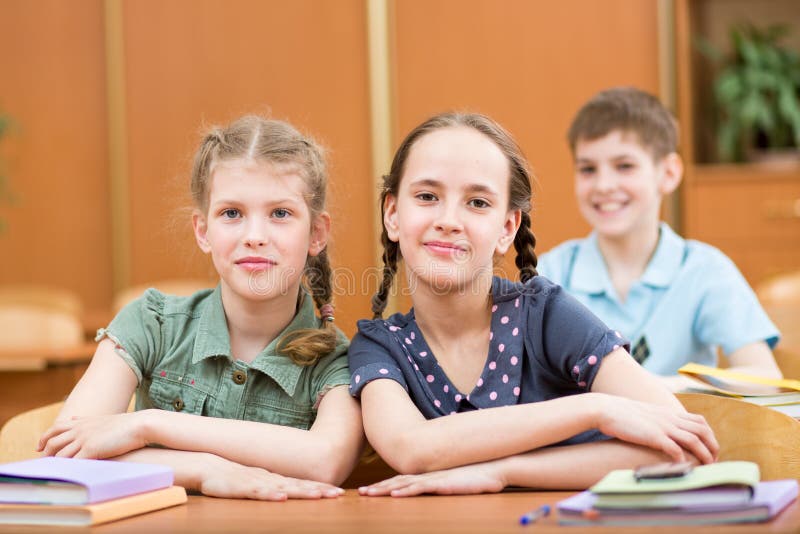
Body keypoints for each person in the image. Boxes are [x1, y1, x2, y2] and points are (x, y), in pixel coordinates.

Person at [348, 112, 718, 497]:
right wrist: (595, 410)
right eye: (427, 196)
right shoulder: (378, 346)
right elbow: (409, 446)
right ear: (393, 214)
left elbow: (682, 446)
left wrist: (504, 471)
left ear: (507, 228)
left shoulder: (546, 315)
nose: (449, 220)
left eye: (477, 202)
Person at [38, 115, 364, 501]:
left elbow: (325, 459)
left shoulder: (337, 359)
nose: (254, 236)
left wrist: (148, 425)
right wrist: (204, 469)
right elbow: (65, 456)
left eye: (280, 213)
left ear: (316, 233)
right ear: (203, 231)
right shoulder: (152, 323)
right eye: (231, 213)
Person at [537, 87, 781, 389]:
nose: (603, 185)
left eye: (624, 166)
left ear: (668, 173)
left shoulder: (705, 270)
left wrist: (654, 389)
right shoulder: (551, 273)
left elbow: (765, 380)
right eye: (588, 169)